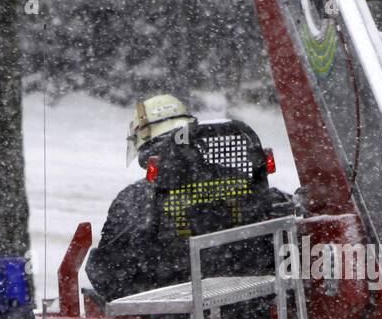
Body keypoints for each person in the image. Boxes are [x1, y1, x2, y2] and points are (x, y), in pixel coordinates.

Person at [85, 94, 295, 303]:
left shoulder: (133, 201)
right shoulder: (241, 182)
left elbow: (107, 276)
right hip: (251, 307)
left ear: (144, 145)